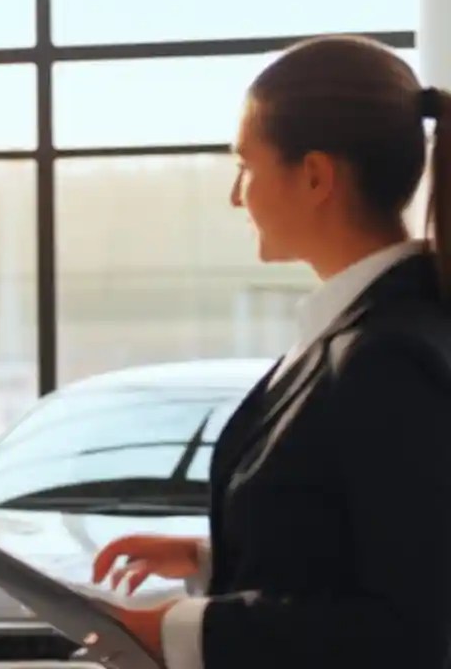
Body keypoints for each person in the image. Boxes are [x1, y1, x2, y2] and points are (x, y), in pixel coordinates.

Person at [90, 34, 451, 669]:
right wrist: (210, 557)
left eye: (246, 165)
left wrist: (184, 631)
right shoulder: (361, 330)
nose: (237, 196)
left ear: (315, 176)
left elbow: (411, 630)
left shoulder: (389, 356)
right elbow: (348, 537)